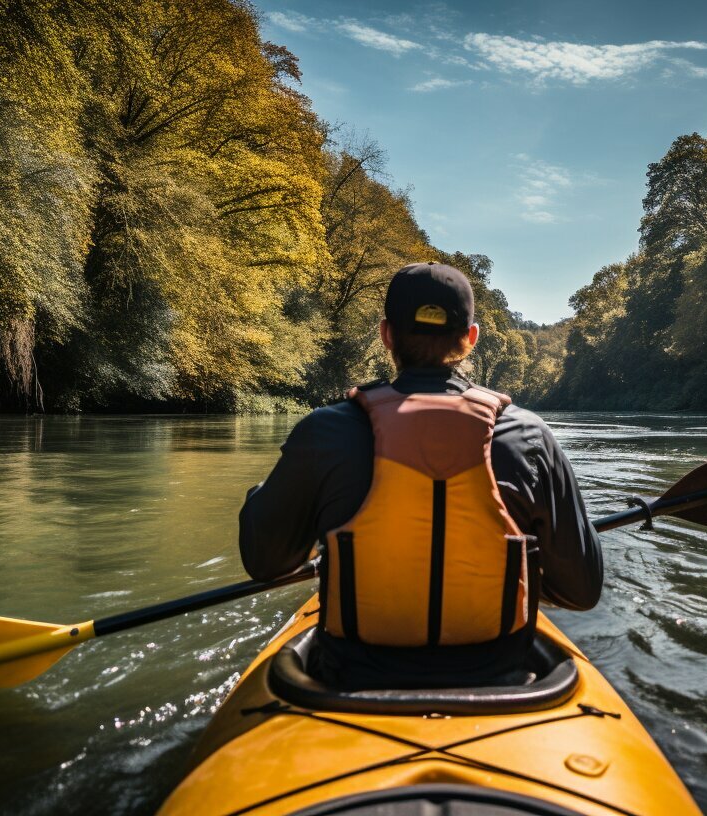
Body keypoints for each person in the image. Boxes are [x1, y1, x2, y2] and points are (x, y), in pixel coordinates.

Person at [239, 262, 602, 689]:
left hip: (347, 683)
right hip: (504, 683)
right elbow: (581, 591)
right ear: (470, 339)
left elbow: (264, 562)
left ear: (386, 334)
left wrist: (259, 496)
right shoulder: (529, 436)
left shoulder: (324, 431)